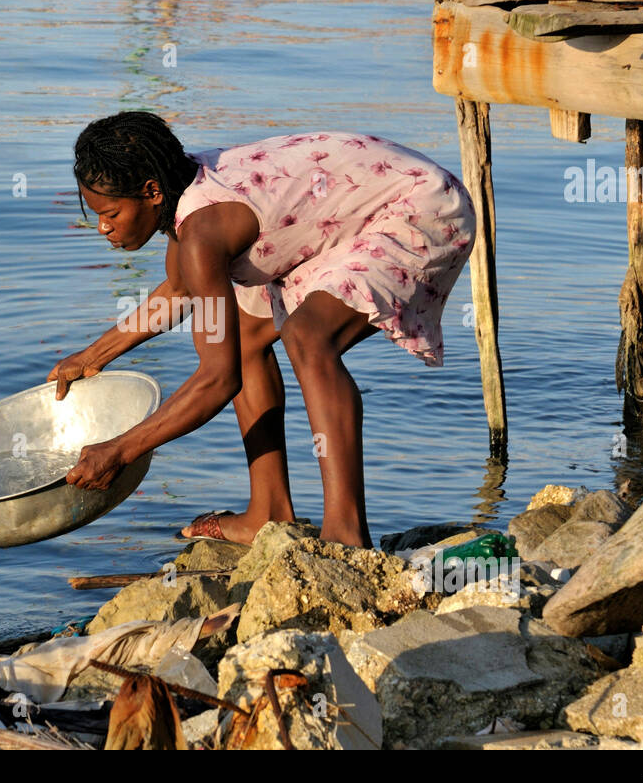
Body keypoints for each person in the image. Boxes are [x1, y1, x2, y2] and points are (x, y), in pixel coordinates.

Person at [50, 111, 475, 548]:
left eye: (111, 213)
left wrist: (120, 450)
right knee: (245, 338)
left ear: (152, 192)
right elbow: (180, 290)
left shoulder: (202, 233)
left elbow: (218, 379)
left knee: (309, 338)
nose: (102, 227)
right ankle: (268, 511)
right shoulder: (184, 198)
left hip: (420, 205)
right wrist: (92, 356)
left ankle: (346, 533)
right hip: (349, 213)